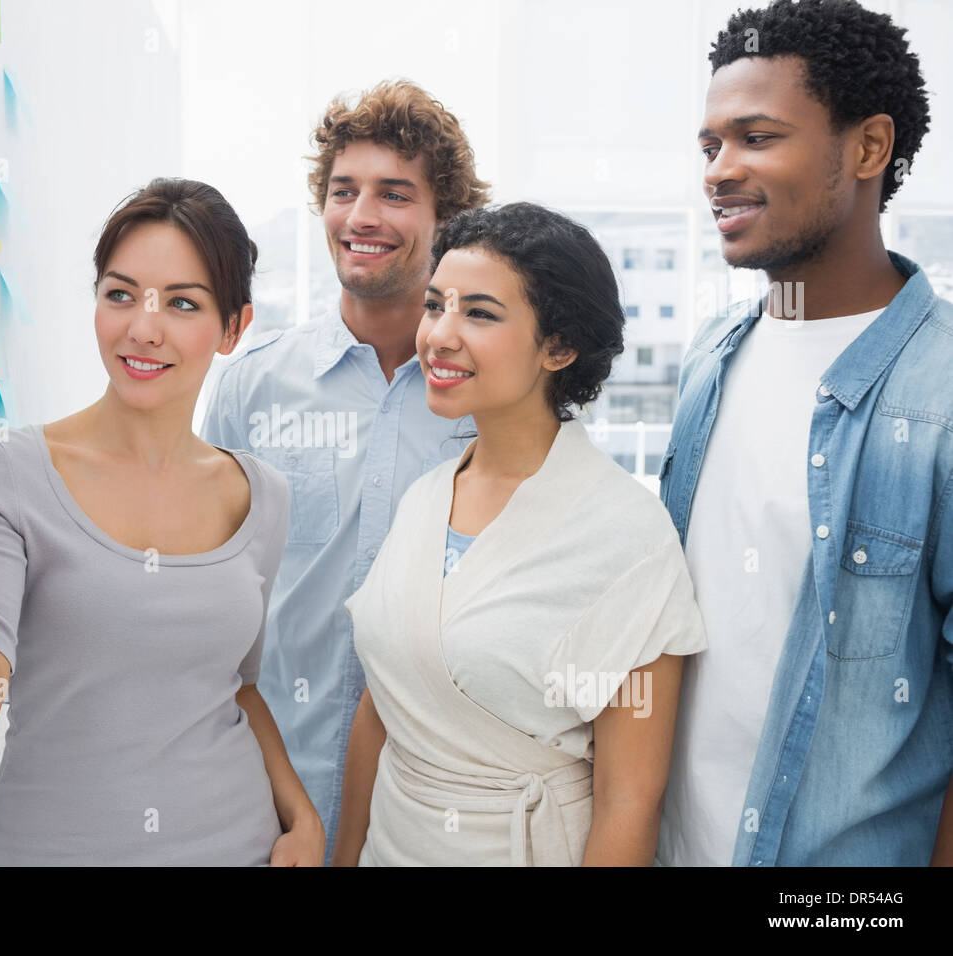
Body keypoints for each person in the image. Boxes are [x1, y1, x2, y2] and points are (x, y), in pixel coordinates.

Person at [0, 178, 324, 866]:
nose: (143, 326)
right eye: (120, 293)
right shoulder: (11, 472)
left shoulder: (262, 495)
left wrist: (300, 812)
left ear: (234, 328)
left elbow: (235, 685)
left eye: (182, 303)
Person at [656, 0, 953, 866]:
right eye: (710, 145)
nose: (719, 170)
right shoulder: (711, 358)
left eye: (757, 137)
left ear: (867, 148)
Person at [333, 202, 707, 866]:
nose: (440, 335)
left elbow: (630, 802)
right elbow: (383, 706)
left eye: (479, 313)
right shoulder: (425, 498)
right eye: (436, 304)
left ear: (558, 347)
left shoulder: (627, 535)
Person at [200, 80, 490, 861]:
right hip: (262, 802)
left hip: (430, 815)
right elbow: (206, 602)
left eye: (395, 194)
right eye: (342, 191)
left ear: (445, 220)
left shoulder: (497, 398)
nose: (361, 217)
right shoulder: (250, 386)